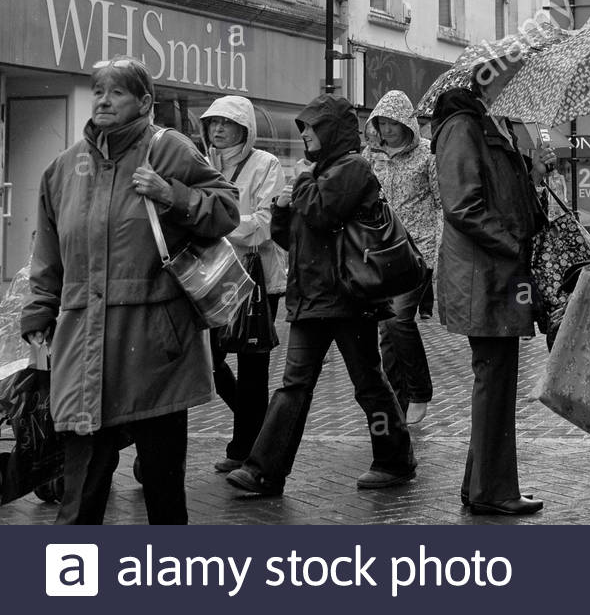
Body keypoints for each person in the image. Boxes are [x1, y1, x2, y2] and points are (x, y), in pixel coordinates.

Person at [21, 57, 239, 524]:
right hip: (84, 345)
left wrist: (171, 194)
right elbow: (48, 252)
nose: (103, 99)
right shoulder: (62, 170)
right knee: (82, 483)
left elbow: (225, 210)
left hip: (154, 345)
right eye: (98, 90)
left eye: (116, 92)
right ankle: (70, 589)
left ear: (145, 102)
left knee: (161, 481)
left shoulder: (169, 150)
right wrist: (39, 312)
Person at [226, 95, 415, 496]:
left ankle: (394, 458)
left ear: (330, 131)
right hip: (312, 298)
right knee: (294, 385)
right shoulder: (319, 171)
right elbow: (290, 236)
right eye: (304, 128)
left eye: (312, 127)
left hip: (349, 298)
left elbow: (322, 212)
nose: (306, 135)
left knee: (368, 383)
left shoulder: (352, 168)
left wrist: (302, 182)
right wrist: (281, 208)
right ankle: (264, 470)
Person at [429, 62, 547, 517]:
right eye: (508, 76)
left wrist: (534, 176)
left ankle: (482, 484)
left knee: (496, 382)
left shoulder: (493, 123)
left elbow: (505, 197)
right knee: (493, 381)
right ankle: (492, 491)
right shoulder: (463, 126)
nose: (515, 83)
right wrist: (512, 241)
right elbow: (463, 204)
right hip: (485, 276)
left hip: (497, 276)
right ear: (485, 80)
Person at [199, 96, 287, 473]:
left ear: (245, 128)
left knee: (253, 366)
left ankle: (244, 450)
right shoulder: (201, 165)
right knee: (210, 360)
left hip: (257, 280)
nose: (217, 129)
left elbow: (264, 226)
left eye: (226, 122)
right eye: (212, 123)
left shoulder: (265, 164)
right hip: (213, 278)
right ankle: (259, 428)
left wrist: (214, 220)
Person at [365, 90, 442, 423]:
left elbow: (441, 204)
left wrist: (438, 251)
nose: (388, 128)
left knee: (398, 318)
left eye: (393, 121)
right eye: (382, 121)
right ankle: (398, 400)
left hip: (419, 250)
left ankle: (420, 392)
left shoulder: (428, 155)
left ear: (407, 121)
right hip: (382, 252)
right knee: (386, 328)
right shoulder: (371, 157)